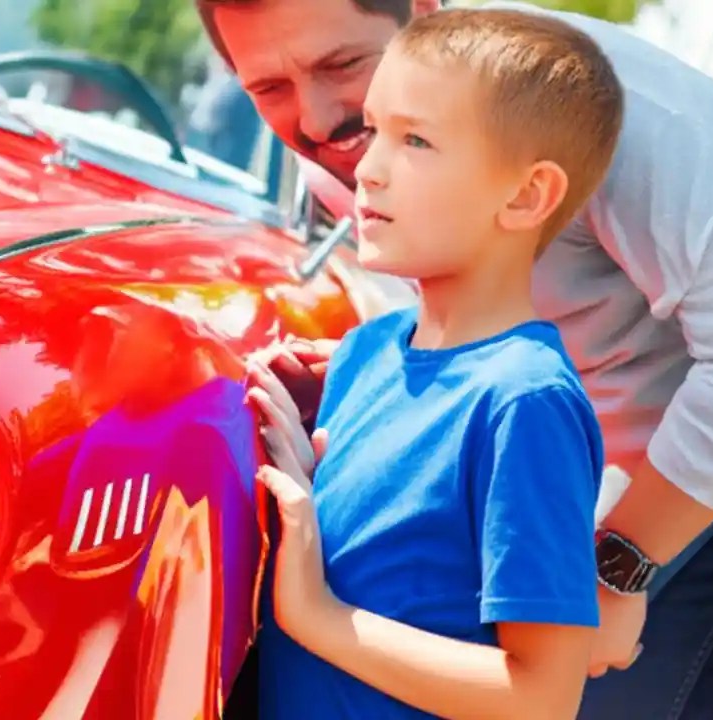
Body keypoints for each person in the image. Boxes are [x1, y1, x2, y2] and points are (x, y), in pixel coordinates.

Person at [200, 0, 713, 716]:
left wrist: (620, 570)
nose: (315, 123)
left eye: (340, 64)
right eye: (268, 90)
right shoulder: (372, 150)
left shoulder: (600, 109)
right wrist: (385, 385)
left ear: (424, 10)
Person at [242, 8, 619, 718]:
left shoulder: (524, 401)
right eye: (377, 129)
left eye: (415, 140)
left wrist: (317, 614)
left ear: (526, 195)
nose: (370, 169)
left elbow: (543, 694)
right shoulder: (362, 352)